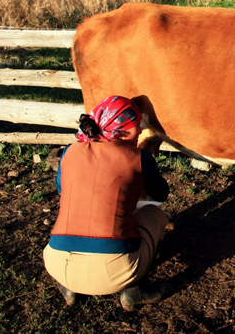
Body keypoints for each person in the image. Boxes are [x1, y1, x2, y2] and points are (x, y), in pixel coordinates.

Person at [43, 95, 170, 311]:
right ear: (121, 130)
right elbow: (160, 194)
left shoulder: (69, 151)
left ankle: (69, 286)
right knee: (154, 213)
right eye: (136, 125)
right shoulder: (139, 157)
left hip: (56, 264)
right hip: (113, 271)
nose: (140, 131)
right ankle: (135, 289)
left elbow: (62, 189)